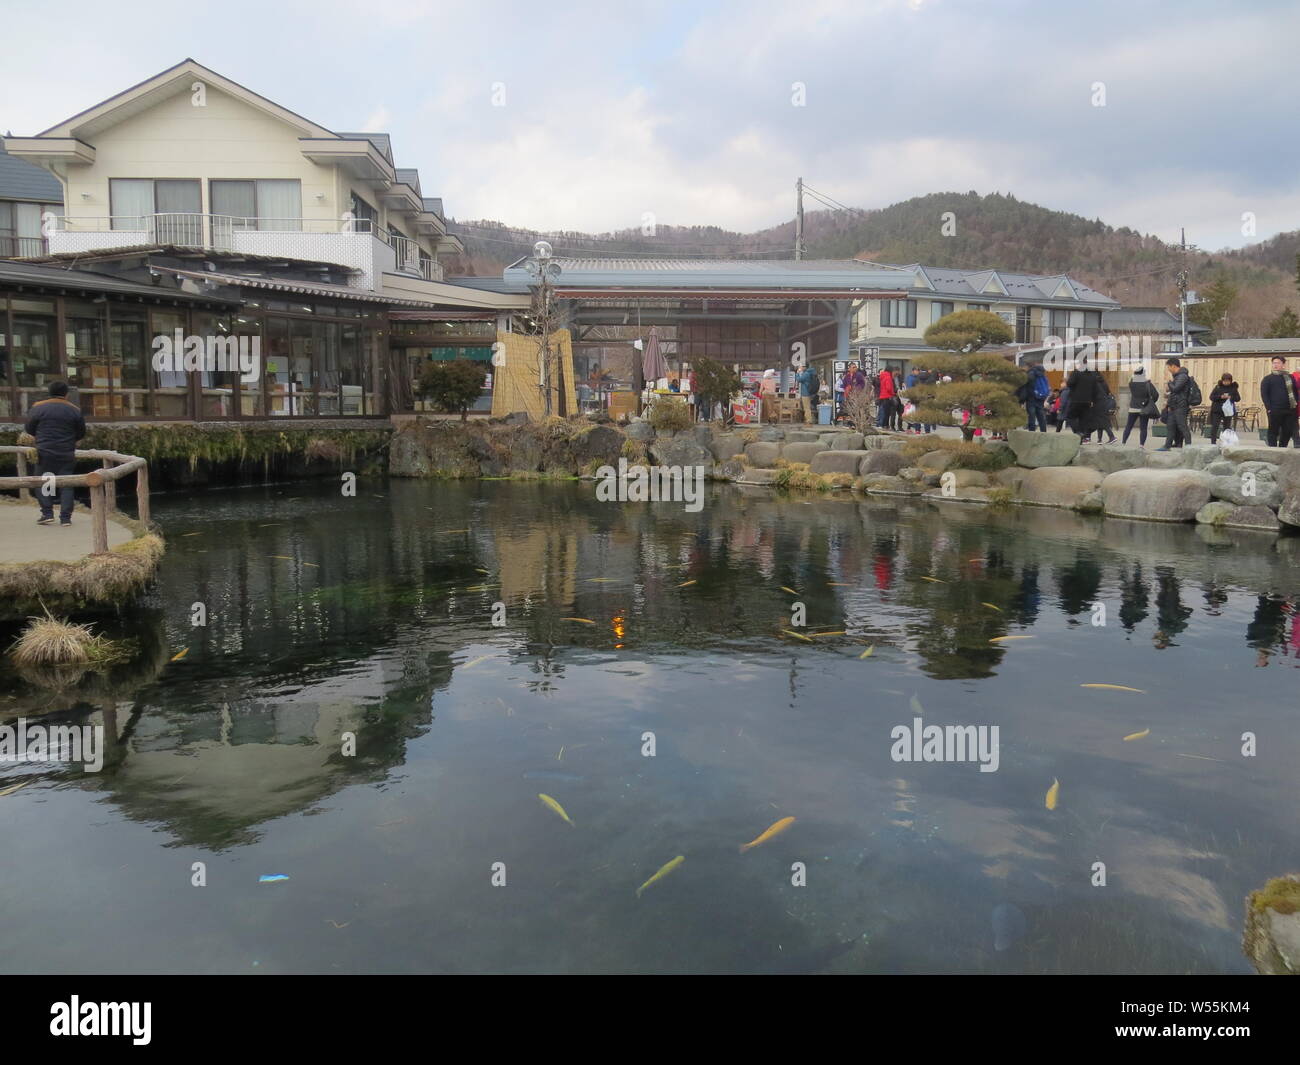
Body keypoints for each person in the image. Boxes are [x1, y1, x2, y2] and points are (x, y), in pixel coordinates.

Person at [24, 380, 86, 527]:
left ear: (49, 392)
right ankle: (65, 518)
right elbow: (81, 432)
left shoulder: (38, 408)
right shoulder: (74, 410)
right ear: (66, 394)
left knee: (46, 480)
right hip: (66, 452)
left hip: (44, 451)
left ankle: (47, 513)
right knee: (66, 484)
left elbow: (29, 428)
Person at [1261, 356, 1299, 447]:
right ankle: (1273, 448)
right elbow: (1264, 394)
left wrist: (1295, 405)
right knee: (1273, 430)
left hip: (1289, 409)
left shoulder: (1290, 377)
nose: (1275, 365)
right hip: (1274, 409)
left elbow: (1295, 392)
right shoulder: (1267, 379)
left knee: (1287, 431)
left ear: (1283, 365)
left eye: (1278, 363)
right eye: (1274, 363)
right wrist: (1268, 408)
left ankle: (1283, 447)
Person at [1158, 357, 1192, 451]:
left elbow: (1176, 388)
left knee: (1182, 426)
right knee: (1170, 426)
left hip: (1181, 405)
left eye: (1168, 367)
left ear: (1173, 366)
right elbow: (1174, 391)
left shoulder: (1183, 376)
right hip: (1174, 405)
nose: (1168, 369)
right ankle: (1167, 446)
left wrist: (1169, 382)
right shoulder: (1177, 376)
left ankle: (1189, 447)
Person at [1121, 365, 1160, 446]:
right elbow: (1156, 395)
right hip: (1144, 408)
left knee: (1128, 426)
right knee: (1143, 428)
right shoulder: (1147, 383)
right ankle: (1141, 445)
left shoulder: (1131, 383)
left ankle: (1123, 443)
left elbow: (1132, 378)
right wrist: (1151, 401)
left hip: (1133, 408)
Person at [1208, 372, 1240, 445]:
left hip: (1227, 411)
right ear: (1222, 380)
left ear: (1231, 381)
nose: (1226, 382)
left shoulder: (1233, 388)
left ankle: (1226, 442)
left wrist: (1231, 397)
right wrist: (1220, 397)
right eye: (1225, 381)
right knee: (1215, 426)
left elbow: (1238, 398)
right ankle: (1213, 442)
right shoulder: (1218, 387)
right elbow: (1211, 397)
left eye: (1228, 381)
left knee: (1227, 427)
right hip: (1217, 410)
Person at [1022, 362, 1050, 431]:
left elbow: (1026, 385)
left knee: (1031, 417)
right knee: (1041, 417)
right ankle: (1043, 432)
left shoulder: (1030, 374)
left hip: (1031, 399)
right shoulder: (1043, 375)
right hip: (1040, 398)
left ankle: (1032, 432)